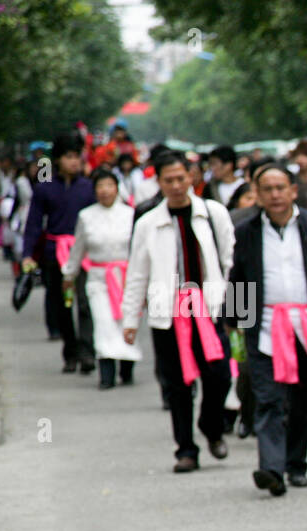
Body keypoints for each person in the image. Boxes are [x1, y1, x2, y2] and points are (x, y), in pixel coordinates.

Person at [225, 163, 307, 496]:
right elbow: (239, 278)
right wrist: (235, 321)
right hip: (264, 329)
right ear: (257, 194)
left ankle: (296, 465)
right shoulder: (246, 232)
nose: (275, 195)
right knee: (268, 399)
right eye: (267, 189)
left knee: (301, 401)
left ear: (293, 190)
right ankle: (271, 468)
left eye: (281, 188)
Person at [120, 151, 236, 473]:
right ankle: (185, 449)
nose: (175, 185)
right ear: (158, 182)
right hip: (168, 313)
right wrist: (130, 319)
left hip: (209, 310)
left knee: (220, 376)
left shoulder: (213, 214)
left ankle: (211, 427)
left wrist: (240, 314)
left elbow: (231, 263)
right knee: (177, 385)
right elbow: (137, 274)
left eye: (180, 178)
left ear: (192, 177)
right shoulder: (147, 222)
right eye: (167, 180)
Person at [23, 132, 97, 372]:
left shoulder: (89, 188)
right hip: (55, 254)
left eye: (77, 156)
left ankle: (87, 352)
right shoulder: (45, 187)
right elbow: (34, 223)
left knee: (85, 303)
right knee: (62, 304)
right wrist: (27, 254)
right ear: (58, 159)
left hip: (84, 254)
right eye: (68, 156)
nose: (74, 161)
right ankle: (71, 351)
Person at [62, 167, 139, 389]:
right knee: (103, 323)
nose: (105, 191)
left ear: (117, 189)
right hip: (98, 278)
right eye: (100, 186)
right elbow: (77, 249)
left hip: (126, 278)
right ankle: (106, 372)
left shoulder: (130, 215)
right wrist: (69, 274)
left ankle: (127, 366)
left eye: (109, 186)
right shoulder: (86, 217)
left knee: (126, 321)